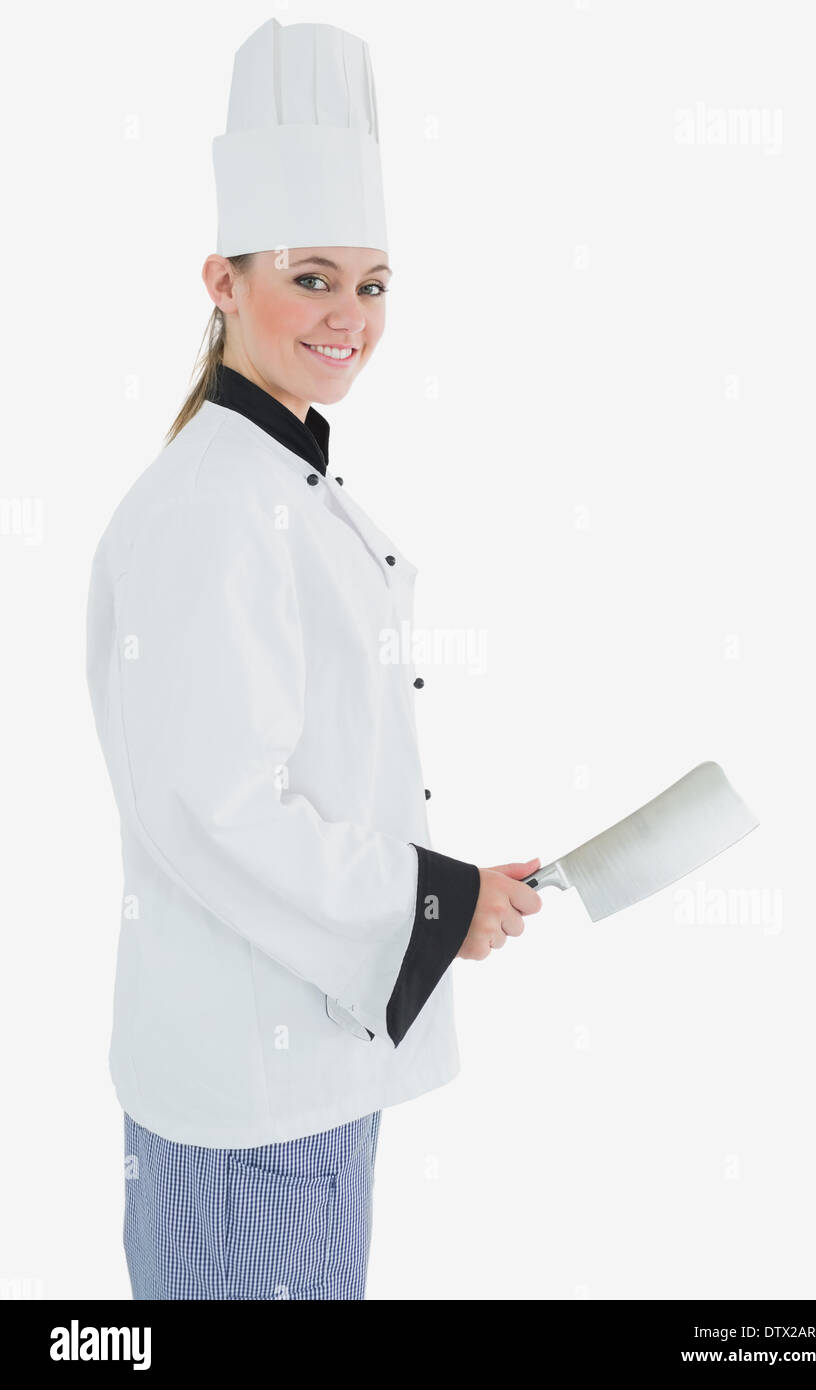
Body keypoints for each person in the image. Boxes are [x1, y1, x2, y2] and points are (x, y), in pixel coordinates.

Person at [85, 18, 542, 1302]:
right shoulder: (211, 508)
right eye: (314, 276)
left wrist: (444, 888)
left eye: (375, 283)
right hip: (253, 1093)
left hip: (303, 1069)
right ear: (221, 281)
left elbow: (305, 773)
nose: (350, 317)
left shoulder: (272, 482)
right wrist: (431, 904)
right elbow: (213, 807)